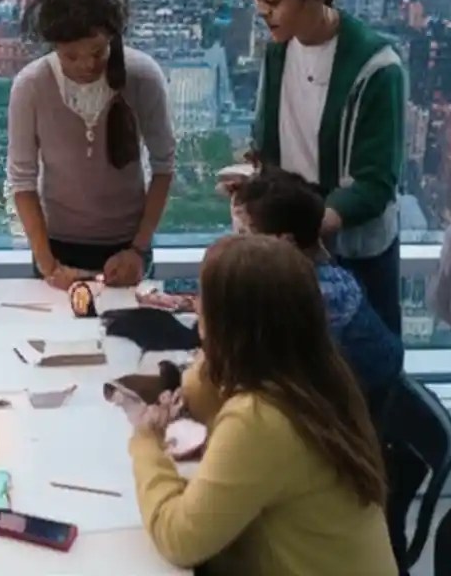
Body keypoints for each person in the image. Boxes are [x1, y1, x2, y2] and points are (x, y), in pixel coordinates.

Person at [115, 235, 397, 575]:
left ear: (231, 327)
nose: (195, 306)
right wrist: (213, 351)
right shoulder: (315, 378)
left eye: (205, 303)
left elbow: (179, 541)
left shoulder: (260, 418)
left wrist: (147, 441)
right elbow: (201, 394)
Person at [231, 0, 407, 335]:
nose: (262, 12)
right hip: (293, 241)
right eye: (257, 0)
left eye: (272, 0)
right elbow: (271, 142)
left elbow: (375, 184)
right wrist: (256, 186)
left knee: (360, 370)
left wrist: (306, 226)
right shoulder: (278, 51)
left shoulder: (376, 69)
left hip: (351, 251)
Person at [8, 0, 176, 289]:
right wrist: (49, 265)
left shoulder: (142, 78)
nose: (86, 64)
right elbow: (22, 180)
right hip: (55, 245)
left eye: (98, 52)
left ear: (113, 38)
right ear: (54, 46)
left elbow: (164, 166)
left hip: (128, 246)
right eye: (70, 55)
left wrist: (138, 249)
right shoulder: (31, 86)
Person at [233, 168, 404, 412]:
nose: (240, 244)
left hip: (358, 412)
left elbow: (275, 368)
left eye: (247, 233)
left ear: (286, 242)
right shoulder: (313, 271)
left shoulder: (320, 295)